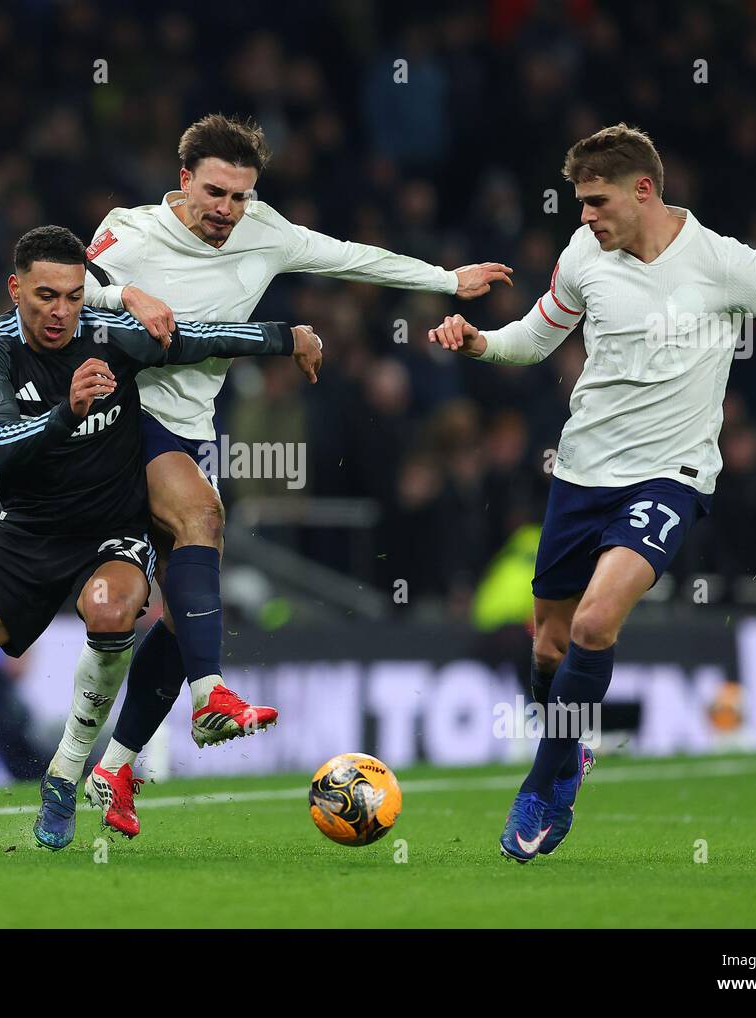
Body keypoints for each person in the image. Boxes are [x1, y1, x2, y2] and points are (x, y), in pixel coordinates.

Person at [427, 123, 756, 862]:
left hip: (672, 475)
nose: (583, 216)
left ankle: (544, 790)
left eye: (595, 200)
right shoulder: (583, 258)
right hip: (580, 472)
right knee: (547, 644)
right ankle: (571, 750)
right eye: (578, 202)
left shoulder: (726, 264)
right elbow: (536, 339)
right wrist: (481, 342)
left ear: (644, 191)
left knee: (596, 621)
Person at [81, 113, 512, 837]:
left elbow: (350, 258)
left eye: (240, 196)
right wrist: (126, 295)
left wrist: (445, 279)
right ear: (182, 181)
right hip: (121, 414)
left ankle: (113, 766)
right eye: (215, 192)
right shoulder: (130, 229)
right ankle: (211, 694)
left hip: (192, 427)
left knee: (181, 606)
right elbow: (69, 290)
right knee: (205, 525)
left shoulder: (265, 230)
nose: (226, 210)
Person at [0, 225, 322, 850]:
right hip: (27, 533)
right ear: (15, 289)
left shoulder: (109, 335)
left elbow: (194, 338)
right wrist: (68, 412)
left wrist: (286, 336)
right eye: (45, 296)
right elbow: (0, 445)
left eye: (73, 296)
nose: (60, 312)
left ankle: (65, 773)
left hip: (112, 533)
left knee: (112, 610)